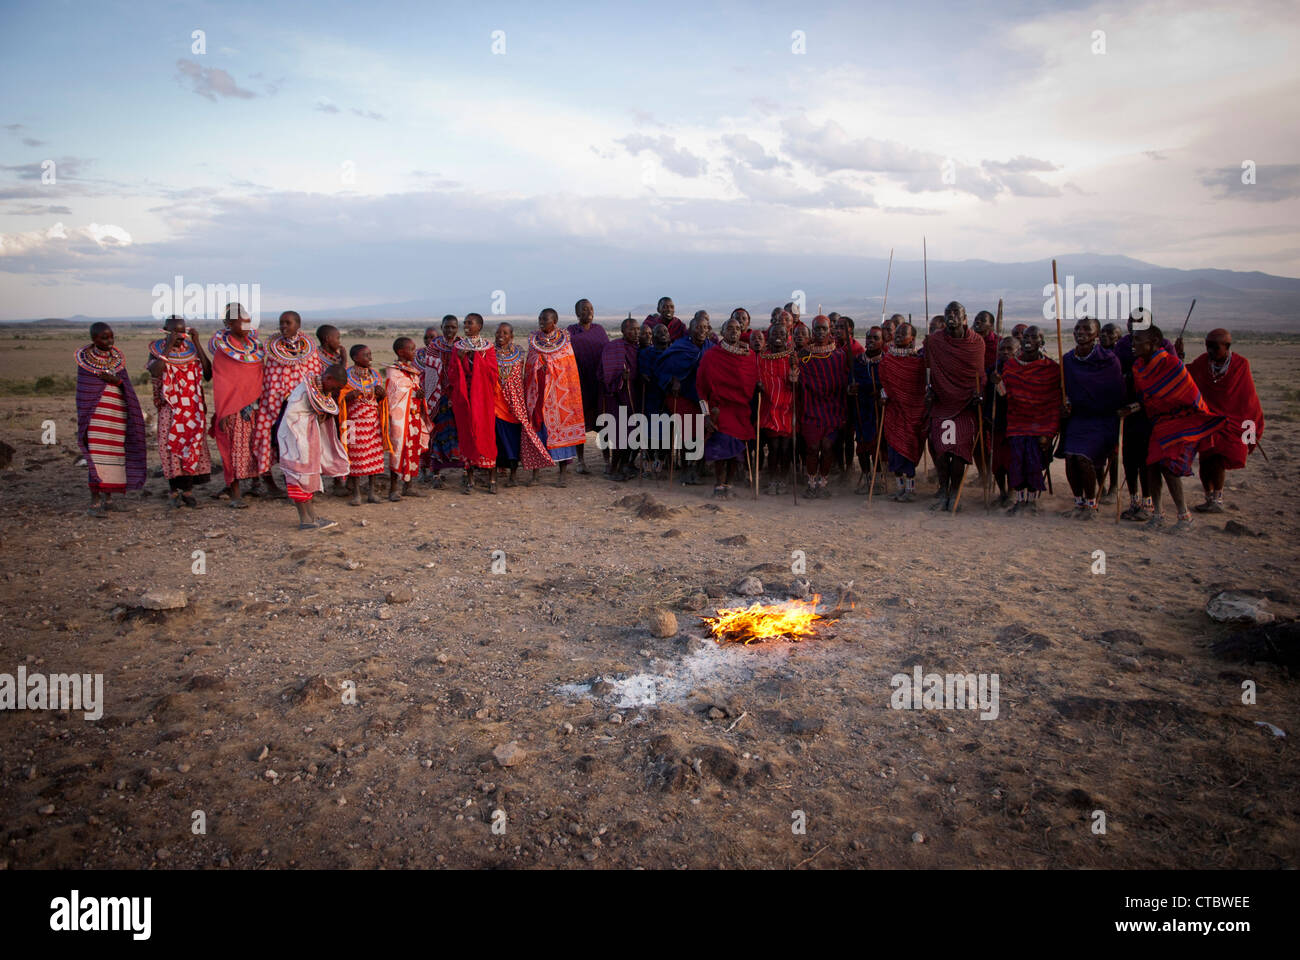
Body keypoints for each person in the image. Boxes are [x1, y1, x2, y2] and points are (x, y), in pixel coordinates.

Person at [1127, 325, 1226, 531]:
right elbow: (1147, 398)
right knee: (1152, 465)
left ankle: (1184, 516)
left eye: (1138, 340)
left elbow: (1187, 395)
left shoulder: (1172, 365)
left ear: (1153, 342)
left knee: (1168, 467)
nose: (1133, 344)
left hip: (1181, 422)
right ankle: (1158, 514)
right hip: (1159, 423)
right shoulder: (1139, 367)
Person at [1187, 329, 1263, 513]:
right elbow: (1186, 374)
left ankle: (1218, 498)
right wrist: (1178, 356)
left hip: (1230, 421)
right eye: (1208, 347)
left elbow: (1247, 397)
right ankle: (1208, 496)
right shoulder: (1203, 362)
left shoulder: (1240, 365)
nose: (1210, 351)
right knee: (1205, 459)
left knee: (1219, 459)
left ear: (1227, 347)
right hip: (1207, 419)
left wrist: (1248, 422)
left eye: (1215, 347)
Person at [76, 322, 147, 517]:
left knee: (115, 455)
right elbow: (85, 391)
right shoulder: (85, 363)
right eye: (103, 338)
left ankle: (109, 499)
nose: (108, 341)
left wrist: (116, 381)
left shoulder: (117, 360)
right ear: (93, 339)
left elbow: (125, 385)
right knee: (96, 457)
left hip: (116, 415)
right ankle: (95, 502)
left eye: (111, 337)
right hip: (96, 417)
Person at [1114, 308, 1179, 521]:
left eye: (1141, 322)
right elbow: (1116, 373)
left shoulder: (1165, 346)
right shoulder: (1123, 346)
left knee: (1147, 459)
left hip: (1152, 412)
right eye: (1132, 322)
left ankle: (1148, 503)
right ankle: (1133, 501)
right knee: (1129, 457)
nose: (1135, 326)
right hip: (1128, 408)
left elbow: (1170, 378)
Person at [1058, 318, 1125, 520]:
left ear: (1096, 334)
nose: (1081, 332)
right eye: (1078, 328)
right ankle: (1079, 502)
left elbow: (1118, 394)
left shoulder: (1108, 360)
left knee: (1083, 458)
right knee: (1070, 458)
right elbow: (1064, 389)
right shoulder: (1068, 360)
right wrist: (1066, 403)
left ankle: (1091, 505)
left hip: (1102, 420)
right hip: (1078, 418)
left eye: (1087, 329)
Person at [924, 302, 987, 511]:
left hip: (966, 405)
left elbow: (979, 375)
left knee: (959, 452)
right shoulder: (934, 342)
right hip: (942, 404)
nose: (951, 316)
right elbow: (927, 367)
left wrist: (979, 394)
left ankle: (955, 492)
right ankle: (944, 490)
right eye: (948, 313)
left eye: (955, 313)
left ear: (965, 318)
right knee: (941, 451)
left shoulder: (976, 343)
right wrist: (930, 389)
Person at [993, 325, 1060, 516]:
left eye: (1034, 337)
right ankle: (1020, 501)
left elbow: (1054, 399)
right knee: (1017, 462)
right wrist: (998, 384)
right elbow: (1006, 396)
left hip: (1041, 422)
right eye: (1026, 337)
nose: (1029, 340)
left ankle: (1031, 502)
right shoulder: (1011, 367)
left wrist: (1050, 429)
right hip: (1017, 421)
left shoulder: (1051, 369)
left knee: (1034, 462)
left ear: (1042, 342)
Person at [253, 310, 322, 497]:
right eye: (281, 322)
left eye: (288, 323)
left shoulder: (309, 347)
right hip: (276, 407)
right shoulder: (272, 349)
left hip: (302, 408)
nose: (283, 326)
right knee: (273, 442)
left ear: (298, 324)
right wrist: (281, 396)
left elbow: (314, 375)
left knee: (300, 446)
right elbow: (269, 378)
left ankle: (299, 485)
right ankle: (271, 484)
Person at [146, 316, 212, 509]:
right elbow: (155, 372)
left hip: (192, 407)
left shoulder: (191, 350)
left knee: (192, 446)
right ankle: (174, 491)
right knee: (171, 447)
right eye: (175, 333)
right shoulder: (156, 351)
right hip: (171, 409)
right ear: (165, 332)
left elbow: (208, 373)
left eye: (182, 333)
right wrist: (168, 347)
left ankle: (188, 491)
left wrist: (197, 342)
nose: (180, 337)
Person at [276, 364, 348, 531]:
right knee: (298, 477)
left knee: (307, 477)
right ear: (328, 379)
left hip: (307, 439)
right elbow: (294, 415)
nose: (335, 391)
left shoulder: (318, 388)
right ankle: (305, 519)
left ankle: (311, 516)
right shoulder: (304, 391)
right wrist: (317, 418)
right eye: (336, 387)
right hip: (296, 439)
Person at [208, 303, 265, 507]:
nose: (247, 324)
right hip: (232, 408)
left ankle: (255, 484)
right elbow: (223, 383)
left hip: (255, 407)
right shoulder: (224, 352)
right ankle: (235, 493)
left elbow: (258, 375)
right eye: (242, 321)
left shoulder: (255, 347)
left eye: (249, 320)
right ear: (230, 324)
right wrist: (223, 412)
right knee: (232, 450)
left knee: (252, 448)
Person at [696, 316, 758, 497]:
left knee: (736, 450)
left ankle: (729, 484)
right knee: (721, 447)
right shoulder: (711, 356)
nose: (734, 332)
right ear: (722, 332)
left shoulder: (749, 357)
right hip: (720, 410)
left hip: (740, 412)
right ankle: (718, 483)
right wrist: (705, 415)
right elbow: (700, 389)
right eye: (730, 329)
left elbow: (752, 382)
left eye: (738, 329)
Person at [525, 308, 587, 486]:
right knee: (537, 431)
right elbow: (529, 366)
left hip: (560, 396)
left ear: (555, 321)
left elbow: (568, 368)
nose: (541, 321)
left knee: (560, 433)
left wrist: (550, 367)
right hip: (537, 394)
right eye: (540, 318)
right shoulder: (533, 340)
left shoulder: (564, 342)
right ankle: (536, 475)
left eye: (545, 319)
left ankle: (562, 474)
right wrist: (539, 367)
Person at [793, 315, 849, 498]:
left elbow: (843, 380)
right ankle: (811, 483)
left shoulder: (839, 355)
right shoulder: (804, 355)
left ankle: (823, 483)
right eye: (816, 328)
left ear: (829, 330)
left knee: (827, 446)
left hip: (832, 408)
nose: (820, 332)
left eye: (823, 328)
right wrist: (794, 379)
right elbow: (798, 382)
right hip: (811, 408)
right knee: (812, 447)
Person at [657, 312, 714, 485]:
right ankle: (688, 469)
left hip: (702, 398)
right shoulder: (680, 347)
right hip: (681, 396)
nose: (701, 330)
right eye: (698, 327)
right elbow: (663, 368)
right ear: (690, 329)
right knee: (689, 431)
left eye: (705, 327)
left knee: (706, 428)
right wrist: (672, 379)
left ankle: (699, 466)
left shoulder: (710, 348)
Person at [493, 322, 552, 487]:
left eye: (505, 333)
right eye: (498, 333)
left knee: (513, 440)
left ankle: (513, 474)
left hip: (515, 405)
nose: (500, 336)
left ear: (511, 336)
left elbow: (527, 375)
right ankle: (496, 473)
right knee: (497, 439)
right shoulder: (489, 352)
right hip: (496, 404)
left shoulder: (519, 352)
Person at [879, 322, 927, 502]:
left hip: (912, 411)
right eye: (897, 333)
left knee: (909, 448)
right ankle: (899, 488)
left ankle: (910, 489)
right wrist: (884, 395)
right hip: (893, 411)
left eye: (903, 333)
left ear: (912, 339)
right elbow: (884, 383)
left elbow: (920, 387)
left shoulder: (918, 361)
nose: (898, 336)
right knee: (894, 449)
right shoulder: (887, 360)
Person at [452, 313, 499, 494]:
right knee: (466, 435)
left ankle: (492, 479)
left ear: (479, 325)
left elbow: (493, 373)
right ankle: (470, 479)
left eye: (469, 323)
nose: (466, 325)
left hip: (483, 399)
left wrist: (477, 359)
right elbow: (453, 373)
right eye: (465, 323)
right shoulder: (458, 347)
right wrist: (461, 359)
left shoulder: (488, 347)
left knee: (486, 434)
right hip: (464, 399)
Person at [337, 344, 386, 506]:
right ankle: (356, 493)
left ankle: (371, 491)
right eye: (366, 355)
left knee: (374, 457)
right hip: (352, 423)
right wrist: (349, 396)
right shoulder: (346, 376)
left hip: (372, 422)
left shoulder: (375, 375)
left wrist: (382, 395)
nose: (370, 358)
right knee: (355, 458)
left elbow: (380, 400)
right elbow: (339, 398)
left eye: (370, 354)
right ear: (355, 358)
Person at [567, 298, 609, 474]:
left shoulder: (599, 330)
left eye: (590, 308)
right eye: (584, 309)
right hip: (579, 385)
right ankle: (581, 462)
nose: (588, 312)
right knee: (579, 424)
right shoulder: (570, 332)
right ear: (577, 313)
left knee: (604, 422)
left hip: (599, 384)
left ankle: (607, 461)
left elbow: (608, 353)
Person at [386, 337, 428, 500]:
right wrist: (413, 393)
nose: (414, 352)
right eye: (411, 349)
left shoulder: (412, 371)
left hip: (413, 417)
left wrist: (419, 394)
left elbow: (413, 388)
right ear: (401, 352)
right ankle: (393, 488)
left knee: (413, 450)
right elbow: (394, 393)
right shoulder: (393, 371)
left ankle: (408, 486)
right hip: (400, 418)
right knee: (398, 450)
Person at [421, 315, 461, 488]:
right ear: (442, 327)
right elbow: (429, 374)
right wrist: (434, 396)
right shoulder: (433, 347)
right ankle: (436, 473)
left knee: (462, 433)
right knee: (437, 434)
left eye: (453, 327)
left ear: (457, 328)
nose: (450, 330)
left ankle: (467, 472)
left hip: (458, 397)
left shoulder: (462, 345)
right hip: (438, 399)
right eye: (447, 327)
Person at [756, 322, 796, 495]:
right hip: (770, 407)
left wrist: (796, 379)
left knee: (785, 447)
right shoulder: (761, 358)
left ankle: (784, 479)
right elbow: (756, 377)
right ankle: (772, 479)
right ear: (769, 337)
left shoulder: (793, 358)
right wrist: (757, 385)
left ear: (787, 336)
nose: (777, 336)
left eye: (782, 333)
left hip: (788, 407)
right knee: (773, 446)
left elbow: (797, 383)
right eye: (774, 333)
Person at [600, 316, 641, 481]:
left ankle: (624, 466)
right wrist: (620, 379)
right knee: (621, 437)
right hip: (616, 398)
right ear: (623, 331)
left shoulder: (639, 348)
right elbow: (605, 375)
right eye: (632, 329)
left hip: (633, 398)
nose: (636, 333)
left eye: (638, 329)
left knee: (633, 436)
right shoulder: (614, 348)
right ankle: (613, 469)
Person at [853, 325, 885, 494]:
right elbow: (850, 382)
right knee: (862, 445)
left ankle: (878, 478)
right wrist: (852, 389)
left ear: (882, 341)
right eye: (868, 338)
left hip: (879, 409)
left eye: (875, 338)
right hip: (862, 408)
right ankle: (866, 477)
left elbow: (891, 384)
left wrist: (881, 391)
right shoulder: (858, 361)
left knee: (877, 445)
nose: (870, 341)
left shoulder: (887, 361)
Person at [638, 323, 672, 477]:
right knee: (650, 434)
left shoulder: (673, 353)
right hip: (651, 397)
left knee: (667, 433)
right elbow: (644, 374)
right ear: (653, 336)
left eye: (665, 331)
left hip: (669, 398)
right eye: (659, 332)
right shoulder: (646, 353)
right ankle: (649, 464)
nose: (663, 334)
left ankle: (661, 464)